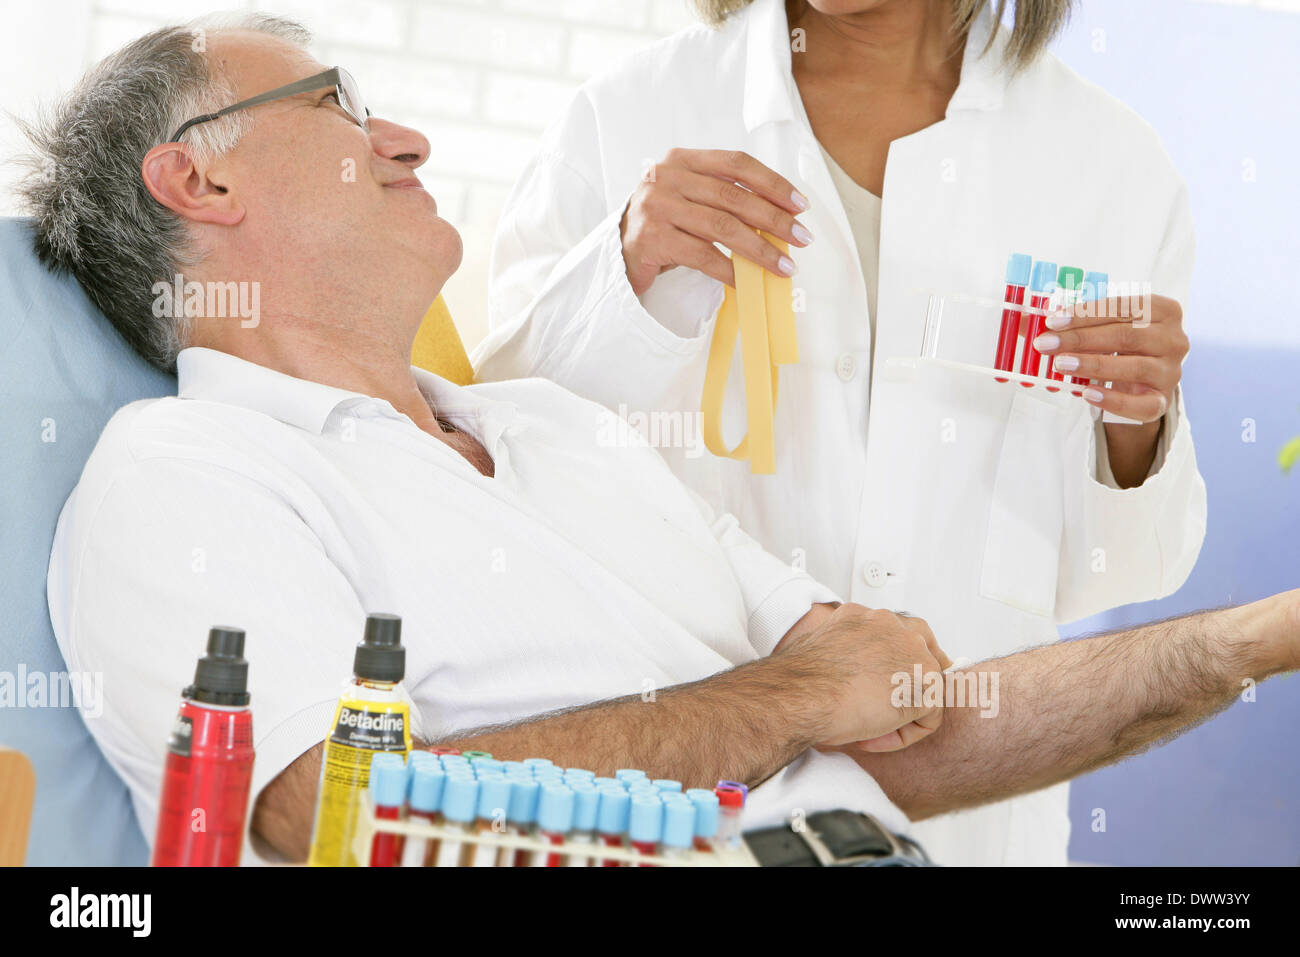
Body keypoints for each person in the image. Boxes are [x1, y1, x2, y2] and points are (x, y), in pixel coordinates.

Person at [27, 16, 1289, 868]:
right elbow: (327, 816)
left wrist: (1261, 633)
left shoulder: (552, 437)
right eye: (341, 106)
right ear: (199, 182)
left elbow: (897, 706)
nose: (407, 137)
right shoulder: (190, 472)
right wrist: (797, 696)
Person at [473, 0, 1207, 864]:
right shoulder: (626, 114)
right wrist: (623, 270)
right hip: (685, 785)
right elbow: (498, 464)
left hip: (965, 810)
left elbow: (1124, 570)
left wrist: (1135, 424)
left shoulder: (1111, 165)